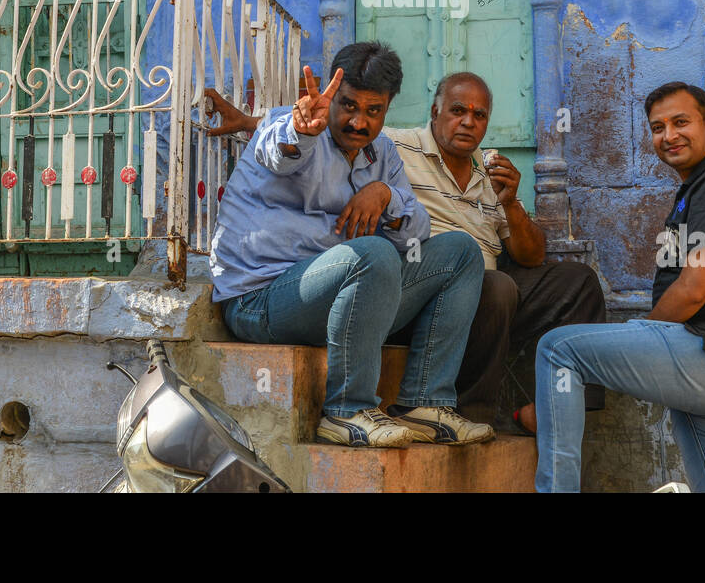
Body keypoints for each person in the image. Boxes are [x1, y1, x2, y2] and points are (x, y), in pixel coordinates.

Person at [204, 70, 606, 431]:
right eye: (457, 110)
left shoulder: (466, 165)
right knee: (408, 262)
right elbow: (298, 134)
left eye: (479, 115)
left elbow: (527, 255)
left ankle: (429, 406)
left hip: (438, 276)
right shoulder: (395, 142)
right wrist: (258, 123)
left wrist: (511, 202)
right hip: (303, 291)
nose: (468, 121)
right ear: (435, 112)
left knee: (561, 276)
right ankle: (363, 409)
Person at [209, 41, 493, 449]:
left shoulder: (383, 155)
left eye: (372, 111)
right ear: (330, 95)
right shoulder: (289, 126)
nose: (358, 122)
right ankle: (346, 410)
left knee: (461, 253)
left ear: (386, 109)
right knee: (374, 255)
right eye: (348, 106)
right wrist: (300, 131)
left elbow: (415, 235)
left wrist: (385, 196)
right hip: (262, 299)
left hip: (340, 297)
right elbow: (280, 151)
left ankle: (425, 405)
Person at [531, 82, 705, 492]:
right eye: (658, 128)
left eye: (681, 122)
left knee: (558, 349)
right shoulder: (700, 185)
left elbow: (694, 289)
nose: (669, 136)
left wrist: (641, 334)